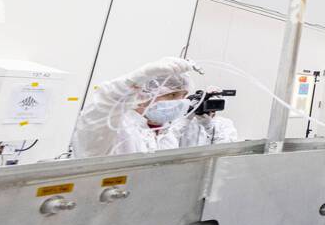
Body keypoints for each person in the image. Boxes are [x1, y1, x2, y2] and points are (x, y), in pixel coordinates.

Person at [71, 57, 199, 158]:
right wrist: (132, 81)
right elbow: (103, 106)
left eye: (183, 95)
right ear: (144, 95)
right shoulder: (116, 126)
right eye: (172, 95)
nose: (179, 102)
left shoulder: (166, 132)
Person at [158, 93, 240, 148]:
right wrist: (185, 119)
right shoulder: (181, 122)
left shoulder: (224, 123)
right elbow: (166, 146)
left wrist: (209, 127)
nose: (211, 109)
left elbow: (227, 149)